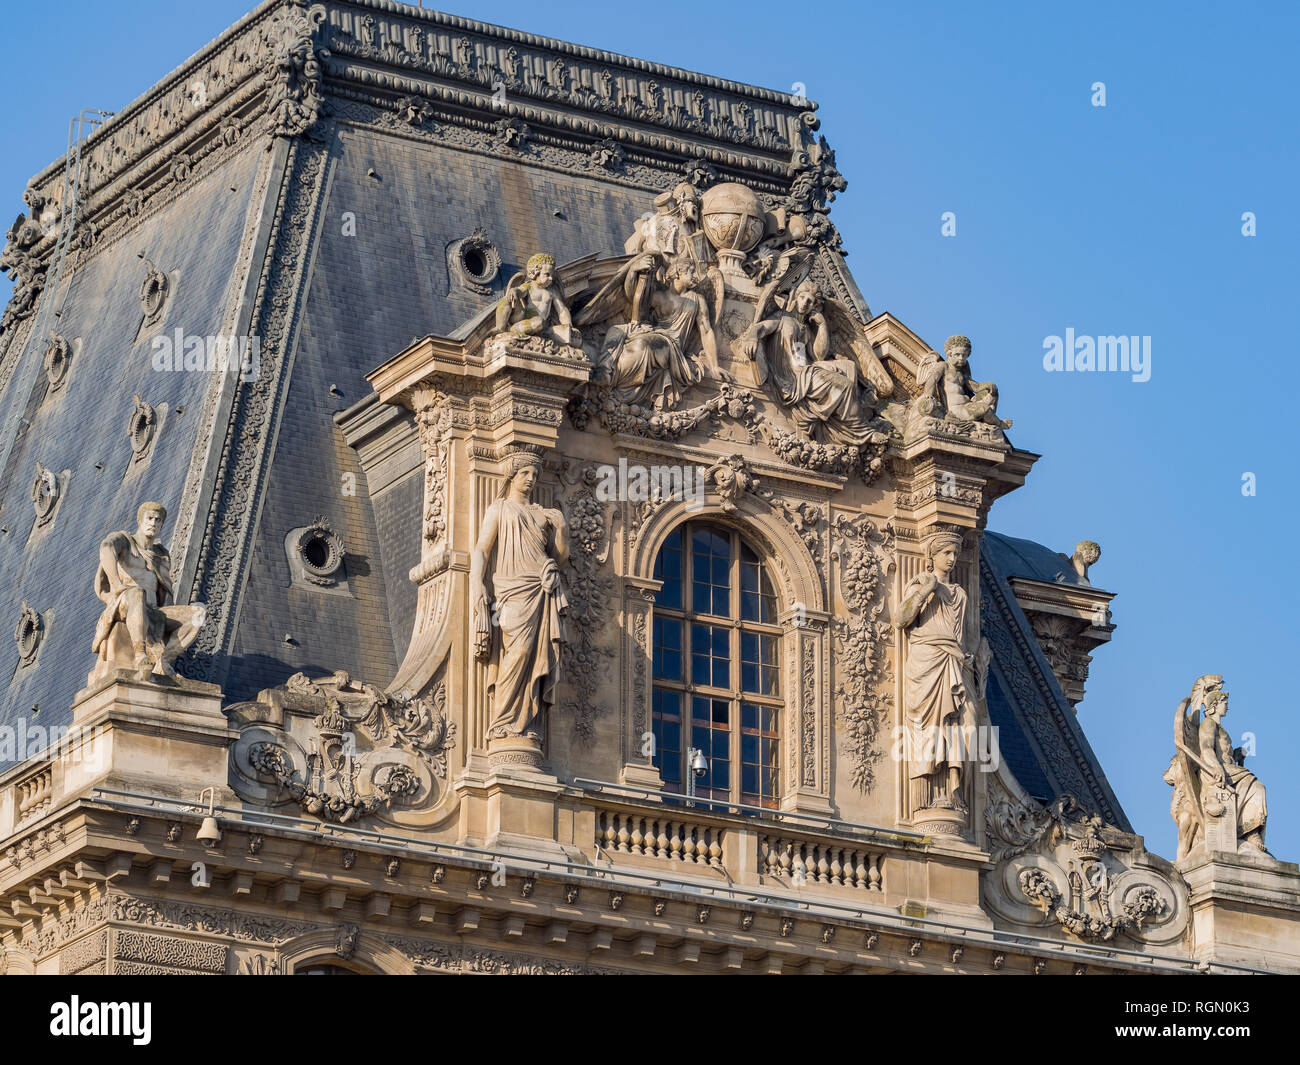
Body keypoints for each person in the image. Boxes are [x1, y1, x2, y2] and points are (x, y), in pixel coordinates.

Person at [470, 453, 570, 740]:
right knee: (519, 651)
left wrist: (562, 528)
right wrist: (477, 583)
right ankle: (502, 721)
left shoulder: (542, 514)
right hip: (511, 590)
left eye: (535, 475)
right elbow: (481, 550)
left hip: (540, 589)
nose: (531, 479)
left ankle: (525, 723)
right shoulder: (499, 508)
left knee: (536, 656)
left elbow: (560, 558)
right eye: (525, 473)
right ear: (512, 475)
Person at [895, 529, 975, 812]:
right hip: (926, 662)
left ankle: (951, 792)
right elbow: (901, 619)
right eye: (947, 553)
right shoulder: (921, 583)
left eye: (956, 554)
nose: (952, 559)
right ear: (932, 556)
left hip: (952, 661)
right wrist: (924, 591)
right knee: (927, 727)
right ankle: (927, 796)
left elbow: (962, 636)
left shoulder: (960, 594)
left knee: (964, 726)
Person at [92, 501, 206, 679]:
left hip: (153, 610)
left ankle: (163, 661)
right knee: (137, 592)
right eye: (150, 518)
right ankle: (140, 654)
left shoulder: (161, 555)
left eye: (158, 520)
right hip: (125, 601)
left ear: (161, 525)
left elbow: (165, 591)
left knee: (197, 615)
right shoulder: (125, 541)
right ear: (140, 520)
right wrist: (116, 585)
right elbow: (106, 549)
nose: (153, 523)